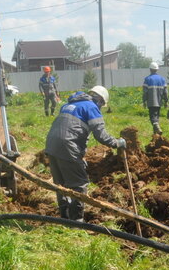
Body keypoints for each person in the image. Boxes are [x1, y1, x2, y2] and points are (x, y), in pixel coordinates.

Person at [44, 85, 126, 221]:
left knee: (60, 184)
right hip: (67, 146)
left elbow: (70, 129)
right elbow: (101, 136)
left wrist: (79, 155)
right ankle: (77, 221)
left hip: (51, 146)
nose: (100, 108)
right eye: (102, 105)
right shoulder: (91, 107)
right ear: (99, 100)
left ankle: (64, 217)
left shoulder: (68, 105)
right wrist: (118, 143)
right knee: (79, 184)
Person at [142, 61, 168, 136]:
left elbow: (145, 92)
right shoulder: (162, 79)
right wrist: (166, 101)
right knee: (156, 117)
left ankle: (156, 128)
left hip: (151, 102)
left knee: (153, 118)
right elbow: (165, 92)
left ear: (150, 69)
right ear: (157, 69)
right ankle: (156, 134)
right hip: (159, 102)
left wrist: (144, 101)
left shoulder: (147, 79)